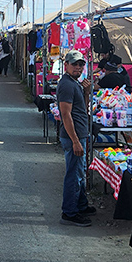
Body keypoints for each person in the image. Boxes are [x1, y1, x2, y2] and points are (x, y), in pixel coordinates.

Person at [56, 51, 95, 227]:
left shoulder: (75, 84)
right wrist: (75, 140)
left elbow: (81, 109)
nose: (78, 67)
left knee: (80, 172)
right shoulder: (66, 85)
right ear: (66, 66)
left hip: (79, 134)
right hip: (74, 136)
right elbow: (66, 114)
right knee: (74, 174)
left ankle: (80, 205)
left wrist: (86, 92)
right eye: (74, 64)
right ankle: (70, 212)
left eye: (80, 64)